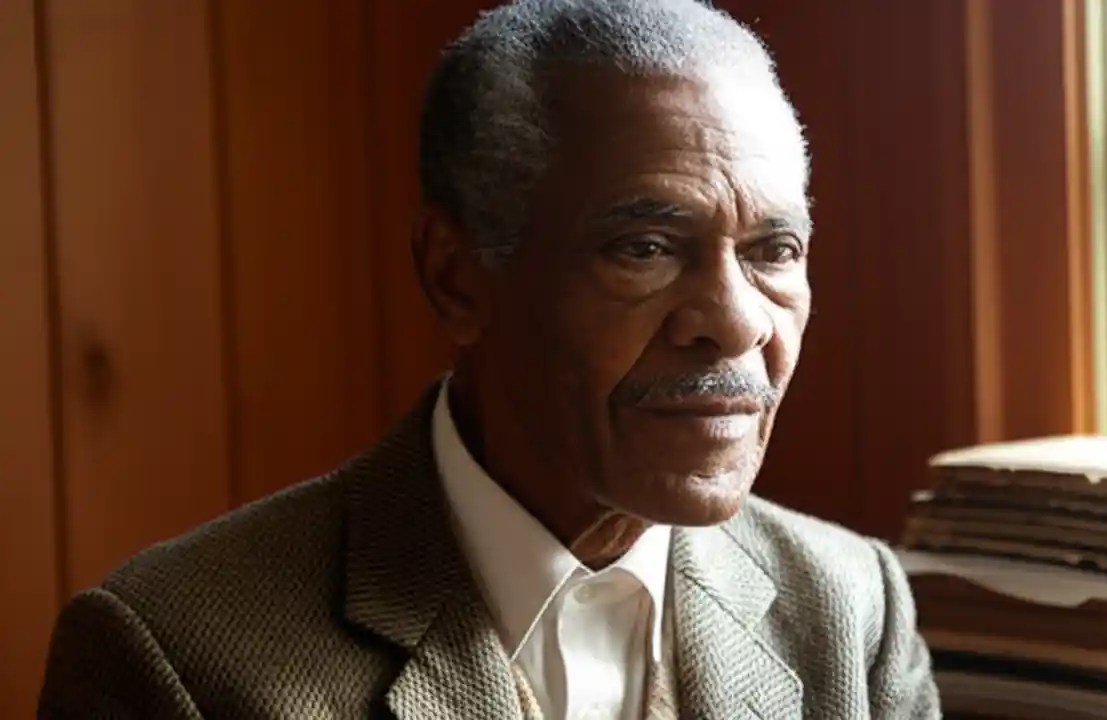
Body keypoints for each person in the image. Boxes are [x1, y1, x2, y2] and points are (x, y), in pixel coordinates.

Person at [38, 1, 939, 717]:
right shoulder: (178, 658)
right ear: (457, 278)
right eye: (646, 249)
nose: (736, 324)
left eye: (774, 251)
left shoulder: (851, 608)